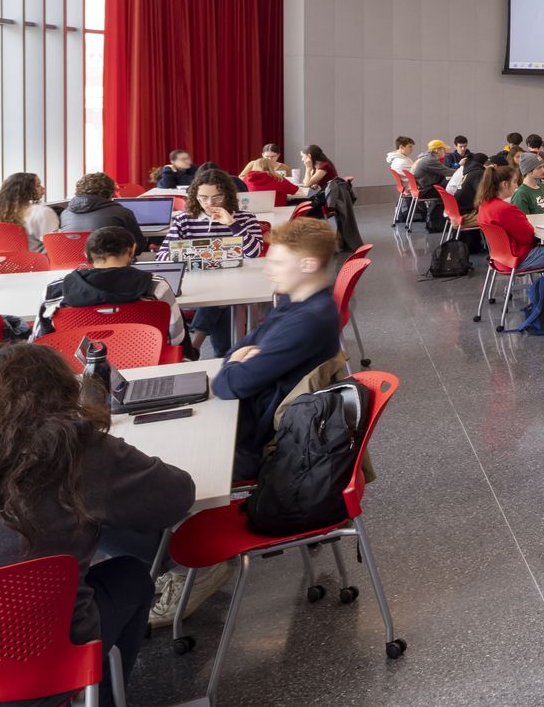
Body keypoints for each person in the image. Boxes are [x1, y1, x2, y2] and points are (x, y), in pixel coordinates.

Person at [0, 343, 195, 707]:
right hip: (49, 667)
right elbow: (176, 497)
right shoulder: (76, 450)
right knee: (130, 577)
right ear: (63, 395)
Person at [211, 217, 344, 478]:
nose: (267, 270)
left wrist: (237, 362)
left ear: (308, 264)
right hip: (247, 417)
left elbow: (228, 384)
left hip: (258, 444)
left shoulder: (308, 320)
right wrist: (238, 359)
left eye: (278, 263)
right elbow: (235, 352)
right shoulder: (292, 302)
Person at [161, 169, 267, 356]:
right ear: (195, 196)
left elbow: (253, 252)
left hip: (235, 285)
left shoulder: (245, 219)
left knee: (222, 301)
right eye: (203, 198)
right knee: (220, 305)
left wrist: (232, 224)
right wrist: (185, 253)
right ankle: (222, 355)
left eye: (217, 198)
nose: (209, 204)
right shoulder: (184, 220)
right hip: (196, 285)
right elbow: (162, 257)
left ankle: (196, 345)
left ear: (228, 195)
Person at [36, 224, 188, 347]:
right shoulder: (156, 286)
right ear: (132, 250)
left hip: (77, 364)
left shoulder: (54, 291)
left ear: (86, 255)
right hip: (146, 358)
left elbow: (40, 339)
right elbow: (176, 337)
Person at [476, 162, 544, 279]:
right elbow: (528, 237)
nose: (516, 186)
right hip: (520, 258)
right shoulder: (506, 209)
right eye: (514, 182)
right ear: (504, 184)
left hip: (500, 258)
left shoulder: (484, 206)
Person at [57, 173, 147, 254]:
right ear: (111, 192)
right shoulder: (121, 212)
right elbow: (137, 247)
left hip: (74, 266)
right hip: (110, 266)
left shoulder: (65, 214)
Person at [0, 171, 60, 254]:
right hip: (34, 264)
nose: (43, 188)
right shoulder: (41, 212)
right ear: (25, 191)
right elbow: (56, 246)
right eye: (38, 185)